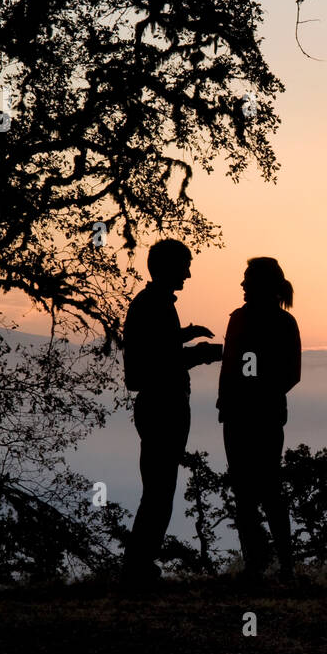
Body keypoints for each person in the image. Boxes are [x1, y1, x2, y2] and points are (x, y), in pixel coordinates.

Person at [121, 239, 222, 585]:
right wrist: (205, 352)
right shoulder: (155, 304)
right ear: (167, 267)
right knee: (160, 491)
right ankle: (138, 568)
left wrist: (186, 335)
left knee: (158, 488)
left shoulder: (151, 303)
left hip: (157, 404)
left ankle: (138, 566)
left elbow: (157, 345)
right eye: (185, 265)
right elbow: (164, 359)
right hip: (164, 405)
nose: (189, 274)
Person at [217, 257, 301, 581]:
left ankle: (281, 565)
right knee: (248, 493)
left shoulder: (281, 323)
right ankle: (259, 563)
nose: (242, 285)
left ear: (262, 285)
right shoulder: (240, 319)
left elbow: (288, 375)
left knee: (266, 491)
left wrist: (251, 393)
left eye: (247, 279)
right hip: (242, 416)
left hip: (259, 418)